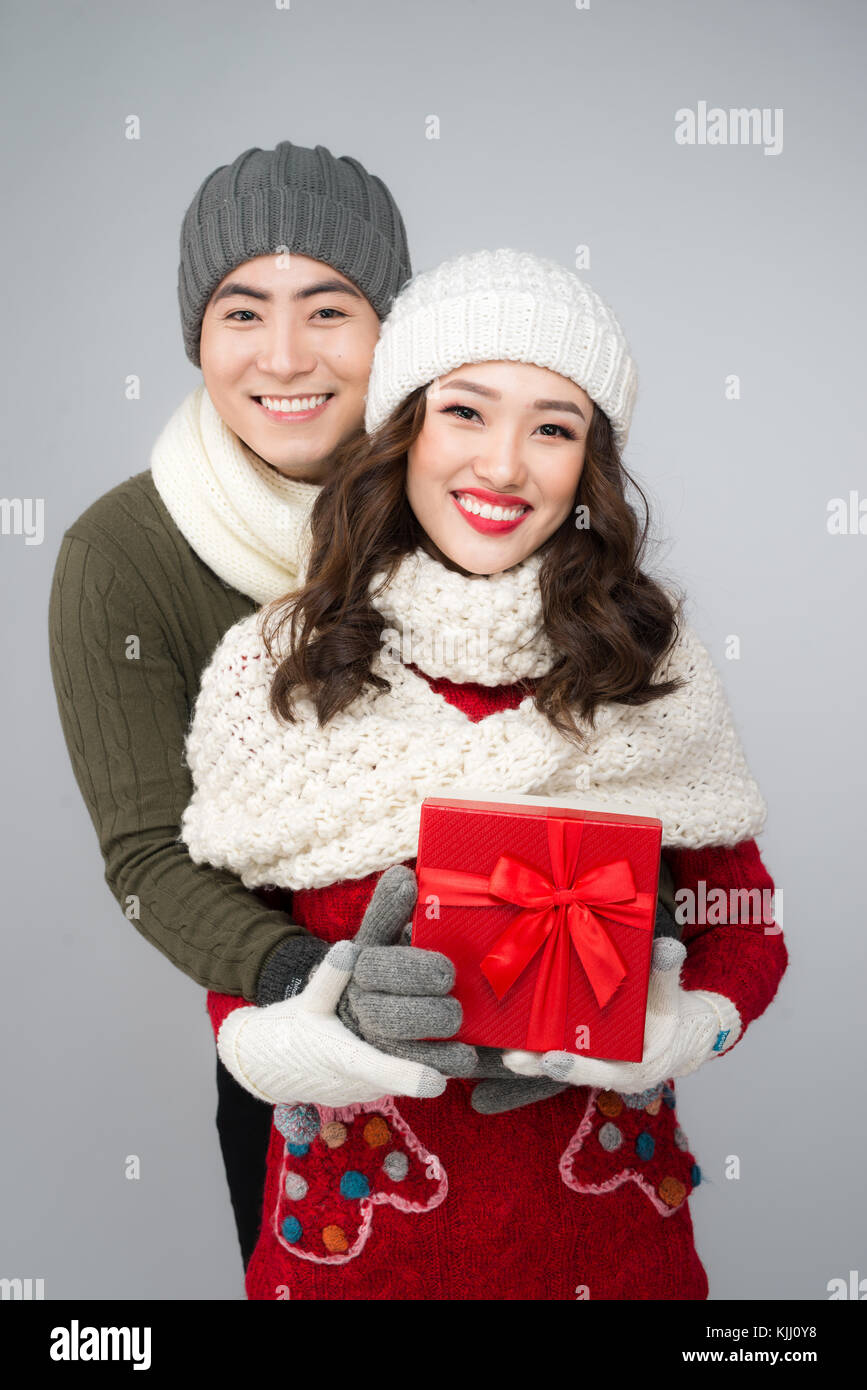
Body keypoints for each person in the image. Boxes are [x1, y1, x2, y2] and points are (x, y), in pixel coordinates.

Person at [181, 248, 789, 1300]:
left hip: (606, 1245)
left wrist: (688, 1023)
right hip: (352, 1244)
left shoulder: (649, 660)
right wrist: (285, 1044)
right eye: (466, 412)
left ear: (588, 465)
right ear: (403, 428)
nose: (504, 465)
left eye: (552, 427)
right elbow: (226, 939)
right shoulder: (275, 664)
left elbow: (747, 918)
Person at [47, 138, 416, 1271]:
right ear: (197, 338)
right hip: (298, 1051)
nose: (286, 356)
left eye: (331, 308)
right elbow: (151, 859)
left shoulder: (470, 496)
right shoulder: (124, 553)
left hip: (525, 1030)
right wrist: (319, 988)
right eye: (242, 311)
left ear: (392, 328)